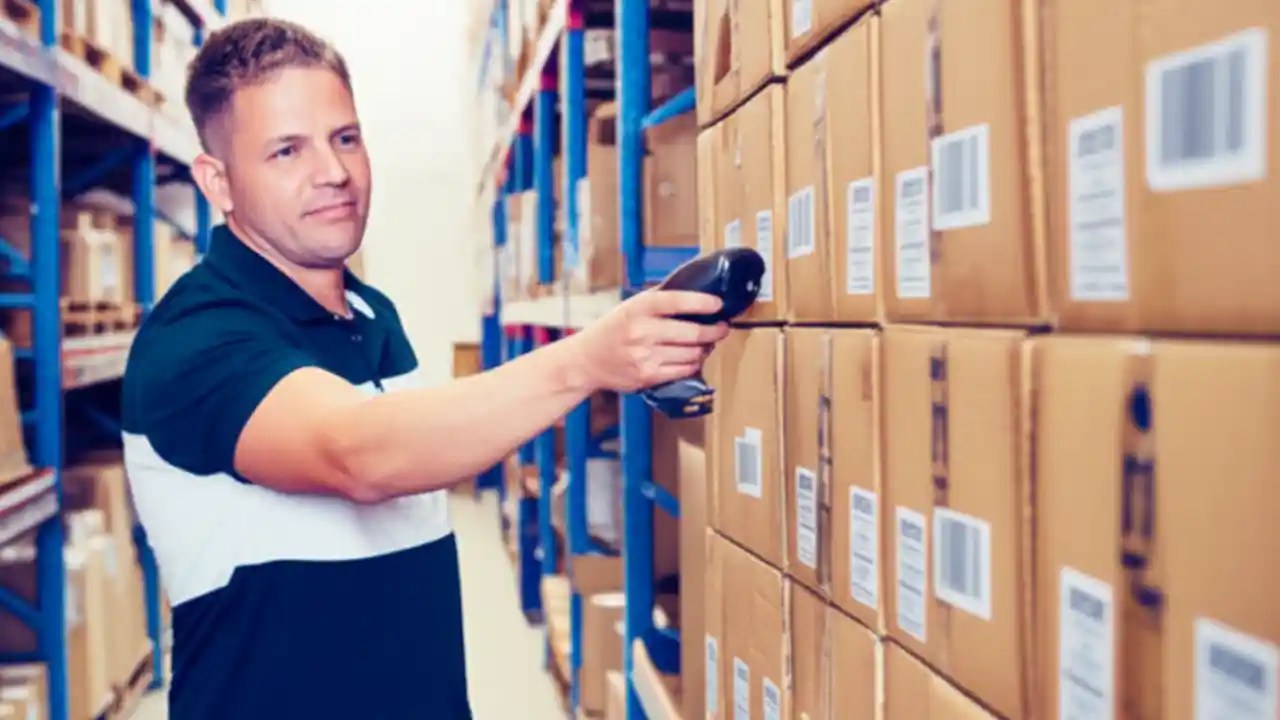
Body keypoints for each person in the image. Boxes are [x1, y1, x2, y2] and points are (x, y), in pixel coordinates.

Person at [120, 17, 727, 720]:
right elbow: (360, 454)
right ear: (217, 182)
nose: (333, 172)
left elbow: (419, 458)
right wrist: (588, 359)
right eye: (286, 151)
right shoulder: (196, 338)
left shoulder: (373, 315)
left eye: (344, 137)